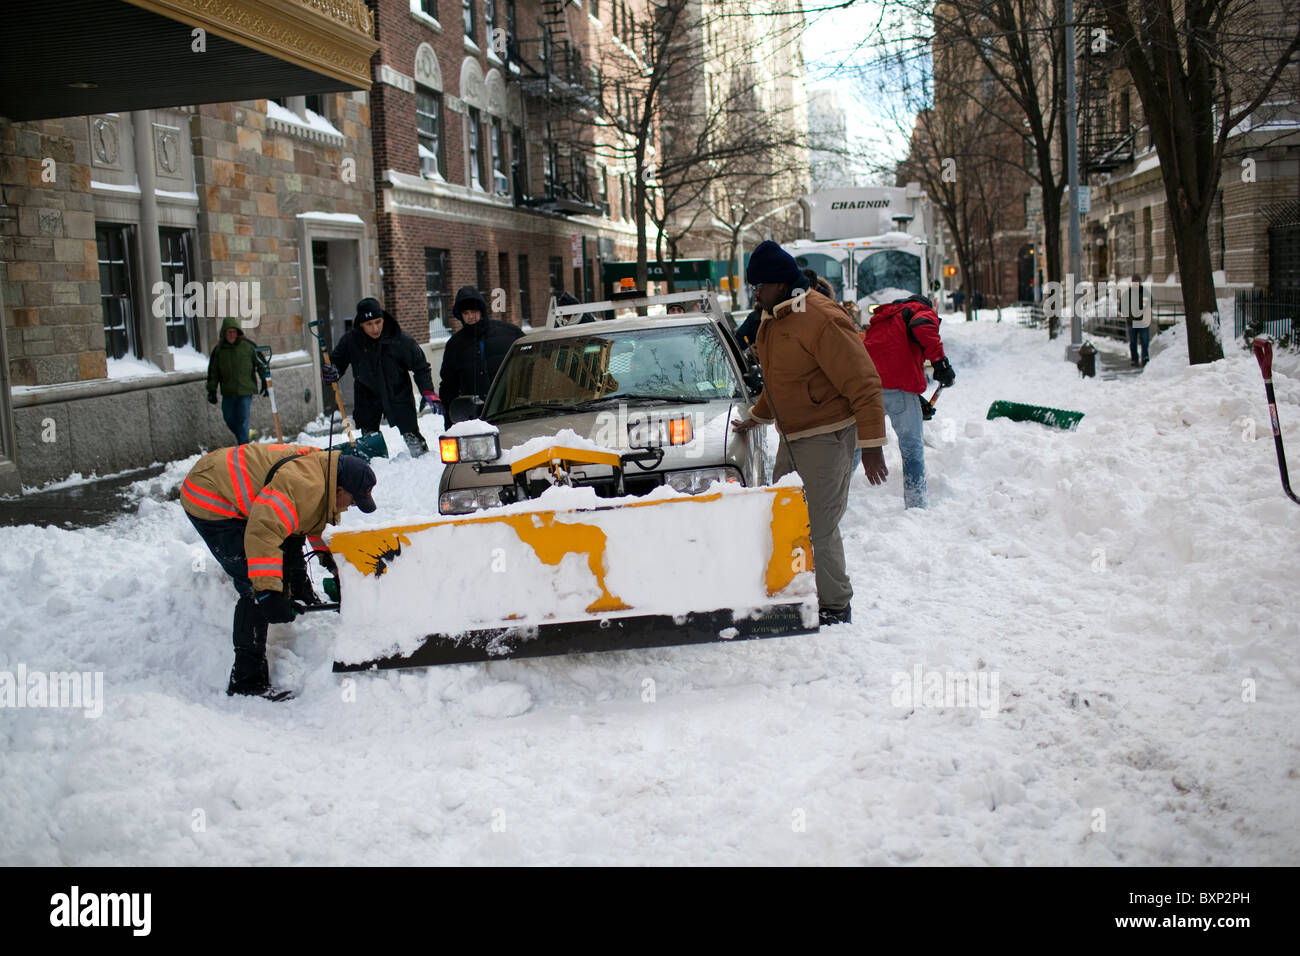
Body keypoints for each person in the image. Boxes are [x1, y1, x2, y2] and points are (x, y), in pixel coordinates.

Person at [731, 241, 888, 626]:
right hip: (793, 436)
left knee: (819, 525)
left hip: (827, 436)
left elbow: (864, 382)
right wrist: (756, 415)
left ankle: (836, 605)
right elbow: (781, 382)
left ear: (783, 283)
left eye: (761, 286)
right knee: (784, 517)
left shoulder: (821, 316)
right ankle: (796, 590)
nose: (756, 293)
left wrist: (871, 446)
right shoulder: (775, 316)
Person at [182, 444, 377, 700]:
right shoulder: (304, 485)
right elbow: (263, 533)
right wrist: (269, 593)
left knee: (287, 540)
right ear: (340, 489)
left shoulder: (327, 474)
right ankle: (246, 681)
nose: (351, 507)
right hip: (209, 494)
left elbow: (310, 521)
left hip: (228, 480)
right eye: (353, 501)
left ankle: (298, 591)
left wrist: (334, 564)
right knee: (253, 581)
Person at [862, 295, 955, 509]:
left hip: (868, 389)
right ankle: (916, 505)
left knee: (857, 448)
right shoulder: (919, 310)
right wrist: (941, 364)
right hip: (900, 390)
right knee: (912, 449)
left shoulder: (884, 318)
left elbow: (886, 355)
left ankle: (839, 500)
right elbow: (923, 326)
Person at [321, 297, 439, 458]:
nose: (375, 328)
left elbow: (420, 366)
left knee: (412, 435)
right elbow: (336, 362)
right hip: (367, 396)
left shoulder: (400, 339)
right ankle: (375, 468)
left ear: (383, 319)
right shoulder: (351, 341)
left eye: (378, 322)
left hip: (398, 394)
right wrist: (332, 371)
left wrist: (427, 391)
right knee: (370, 440)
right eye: (369, 324)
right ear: (361, 324)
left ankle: (421, 460)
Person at [439, 285, 525, 423]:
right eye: (465, 313)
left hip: (510, 409)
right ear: (460, 315)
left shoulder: (509, 334)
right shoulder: (455, 345)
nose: (471, 316)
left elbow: (529, 365)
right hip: (475, 416)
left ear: (481, 310)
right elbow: (449, 386)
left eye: (474, 311)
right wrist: (450, 423)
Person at [206, 316, 267, 445]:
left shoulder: (248, 346)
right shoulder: (219, 351)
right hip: (228, 391)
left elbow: (261, 364)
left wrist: (265, 382)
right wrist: (212, 390)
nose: (232, 335)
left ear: (238, 332)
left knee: (242, 418)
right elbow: (213, 372)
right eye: (229, 332)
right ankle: (244, 435)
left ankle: (243, 447)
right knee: (228, 418)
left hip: (246, 390)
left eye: (234, 331)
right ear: (224, 333)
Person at [1127, 274, 1150, 366]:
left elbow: (1149, 303)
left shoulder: (1145, 292)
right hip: (1131, 322)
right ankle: (1134, 359)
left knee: (1144, 342)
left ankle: (1145, 358)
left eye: (1138, 281)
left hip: (1143, 322)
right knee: (1133, 343)